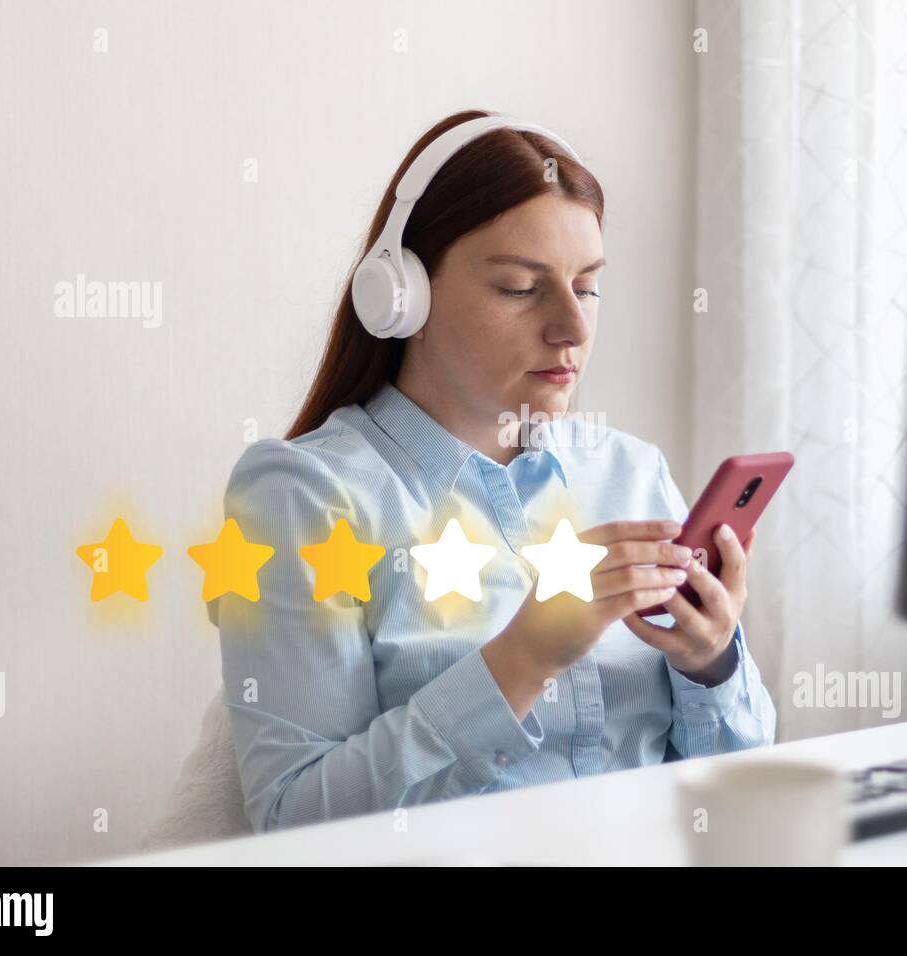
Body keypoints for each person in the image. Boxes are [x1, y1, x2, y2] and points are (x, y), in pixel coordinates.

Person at [215, 109, 776, 833]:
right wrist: (522, 659)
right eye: (520, 287)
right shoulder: (305, 499)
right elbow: (296, 824)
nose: (572, 327)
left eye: (589, 285)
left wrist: (712, 664)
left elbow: (741, 800)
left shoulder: (630, 471)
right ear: (401, 296)